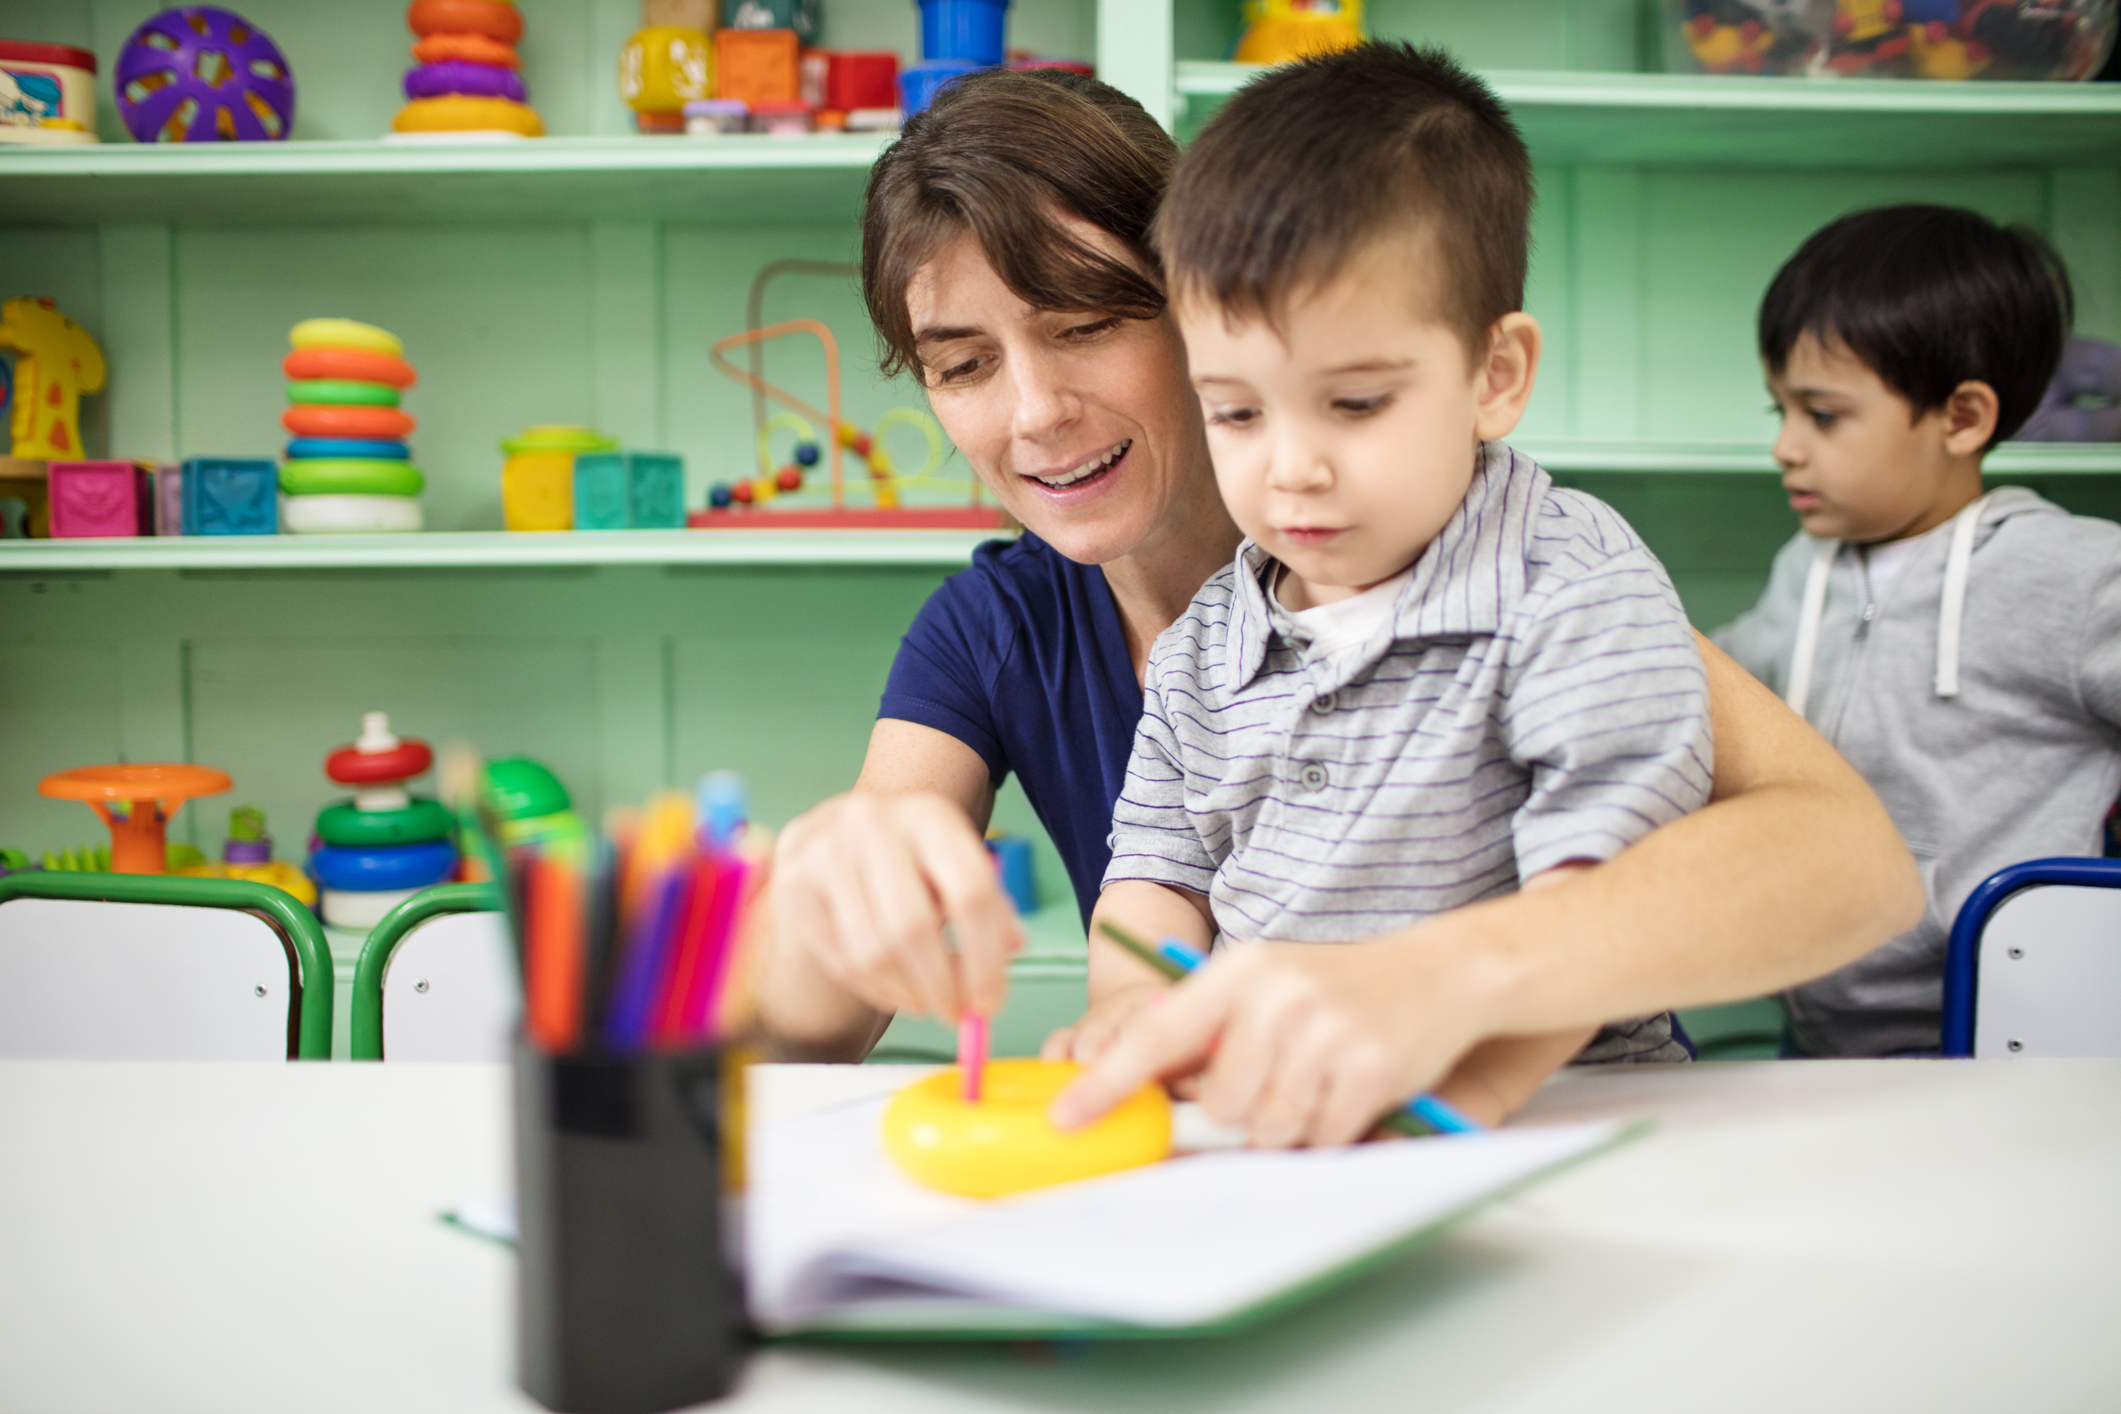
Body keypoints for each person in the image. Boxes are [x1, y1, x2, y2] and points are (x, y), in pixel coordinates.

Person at [754, 64, 1924, 1145]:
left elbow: (1855, 861)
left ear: (1208, 300)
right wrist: (830, 896)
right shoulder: (1015, 628)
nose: (1034, 414)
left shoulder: (1508, 556)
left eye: (1089, 324)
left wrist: (1457, 982)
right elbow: (803, 1038)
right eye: (963, 366)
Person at [1086, 44, 1711, 1140]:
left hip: (1551, 1113)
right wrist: (1133, 1004)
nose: (1291, 467)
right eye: (1235, 411)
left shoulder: (1565, 582)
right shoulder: (1207, 642)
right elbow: (1155, 877)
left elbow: (1606, 902)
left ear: (1496, 376)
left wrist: (1464, 1108)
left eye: (1356, 402)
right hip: (1285, 1122)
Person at [1713, 204, 2121, 1058]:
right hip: (1821, 1034)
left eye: (1821, 415)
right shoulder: (1808, 568)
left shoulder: (2071, 575)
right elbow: (1716, 686)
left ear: (1963, 419)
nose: (1785, 448)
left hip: (2011, 1047)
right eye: (1777, 412)